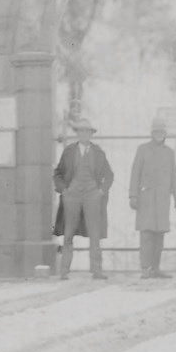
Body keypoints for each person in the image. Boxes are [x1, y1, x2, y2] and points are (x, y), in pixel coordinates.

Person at [53, 118, 114, 280]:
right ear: (77, 134)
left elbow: (109, 175)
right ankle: (64, 271)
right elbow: (58, 173)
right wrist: (64, 190)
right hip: (72, 196)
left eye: (87, 132)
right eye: (81, 131)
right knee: (68, 233)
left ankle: (97, 271)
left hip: (92, 196)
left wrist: (101, 191)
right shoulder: (69, 152)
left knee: (94, 233)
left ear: (91, 134)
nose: (84, 134)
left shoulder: (98, 153)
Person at [128, 117, 176, 279]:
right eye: (156, 131)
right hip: (146, 199)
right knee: (146, 234)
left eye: (162, 132)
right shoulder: (142, 150)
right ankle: (145, 268)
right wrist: (133, 195)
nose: (159, 134)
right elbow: (135, 173)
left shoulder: (169, 153)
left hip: (162, 200)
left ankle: (156, 268)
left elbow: (173, 176)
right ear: (152, 133)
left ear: (165, 134)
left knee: (159, 234)